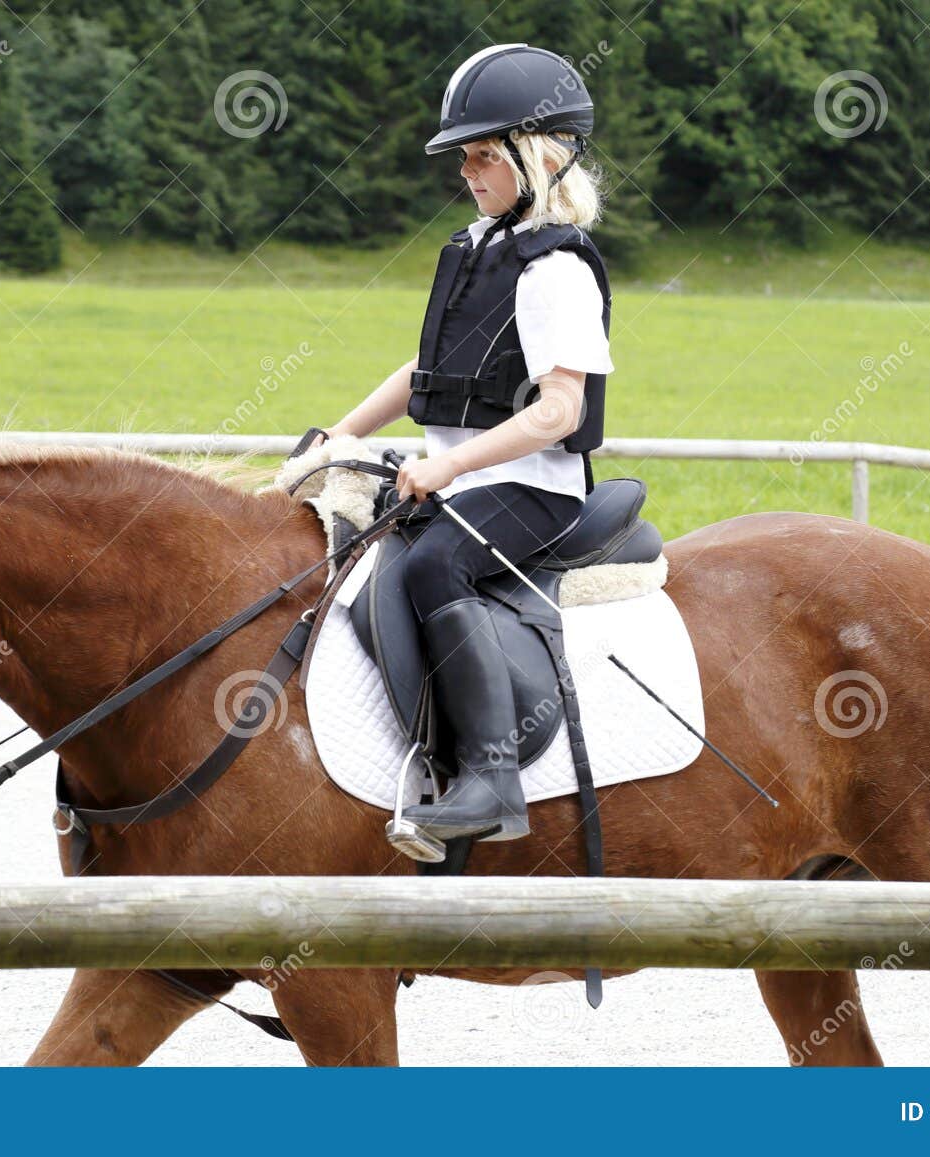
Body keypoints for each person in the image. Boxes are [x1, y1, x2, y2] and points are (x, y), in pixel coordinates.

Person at [314, 43, 613, 843]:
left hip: (534, 489)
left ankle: (493, 780)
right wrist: (341, 434)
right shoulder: (478, 247)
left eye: (485, 154)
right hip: (462, 483)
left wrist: (446, 463)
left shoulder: (556, 270)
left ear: (538, 155)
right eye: (465, 156)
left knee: (436, 565)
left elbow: (559, 410)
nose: (468, 170)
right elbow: (424, 369)